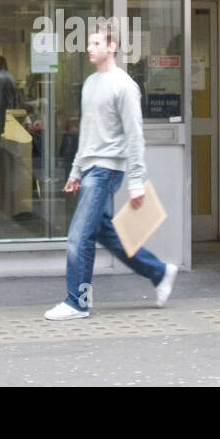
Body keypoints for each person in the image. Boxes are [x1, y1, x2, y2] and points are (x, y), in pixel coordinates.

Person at [44, 21, 177, 321]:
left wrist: (136, 181)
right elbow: (87, 134)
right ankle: (159, 272)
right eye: (89, 44)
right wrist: (76, 171)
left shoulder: (125, 86)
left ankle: (77, 302)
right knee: (105, 233)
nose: (89, 48)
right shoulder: (90, 84)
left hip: (107, 170)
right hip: (90, 167)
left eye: (95, 44)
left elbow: (135, 135)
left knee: (79, 236)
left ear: (112, 47)